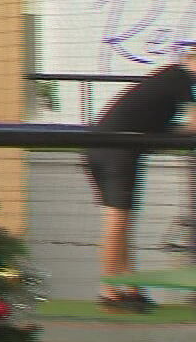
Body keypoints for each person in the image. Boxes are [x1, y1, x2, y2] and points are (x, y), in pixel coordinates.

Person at [84, 48, 196, 313]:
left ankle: (130, 288)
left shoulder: (170, 78)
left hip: (105, 147)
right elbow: (194, 125)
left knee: (122, 223)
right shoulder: (184, 79)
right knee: (117, 222)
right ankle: (109, 290)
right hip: (117, 150)